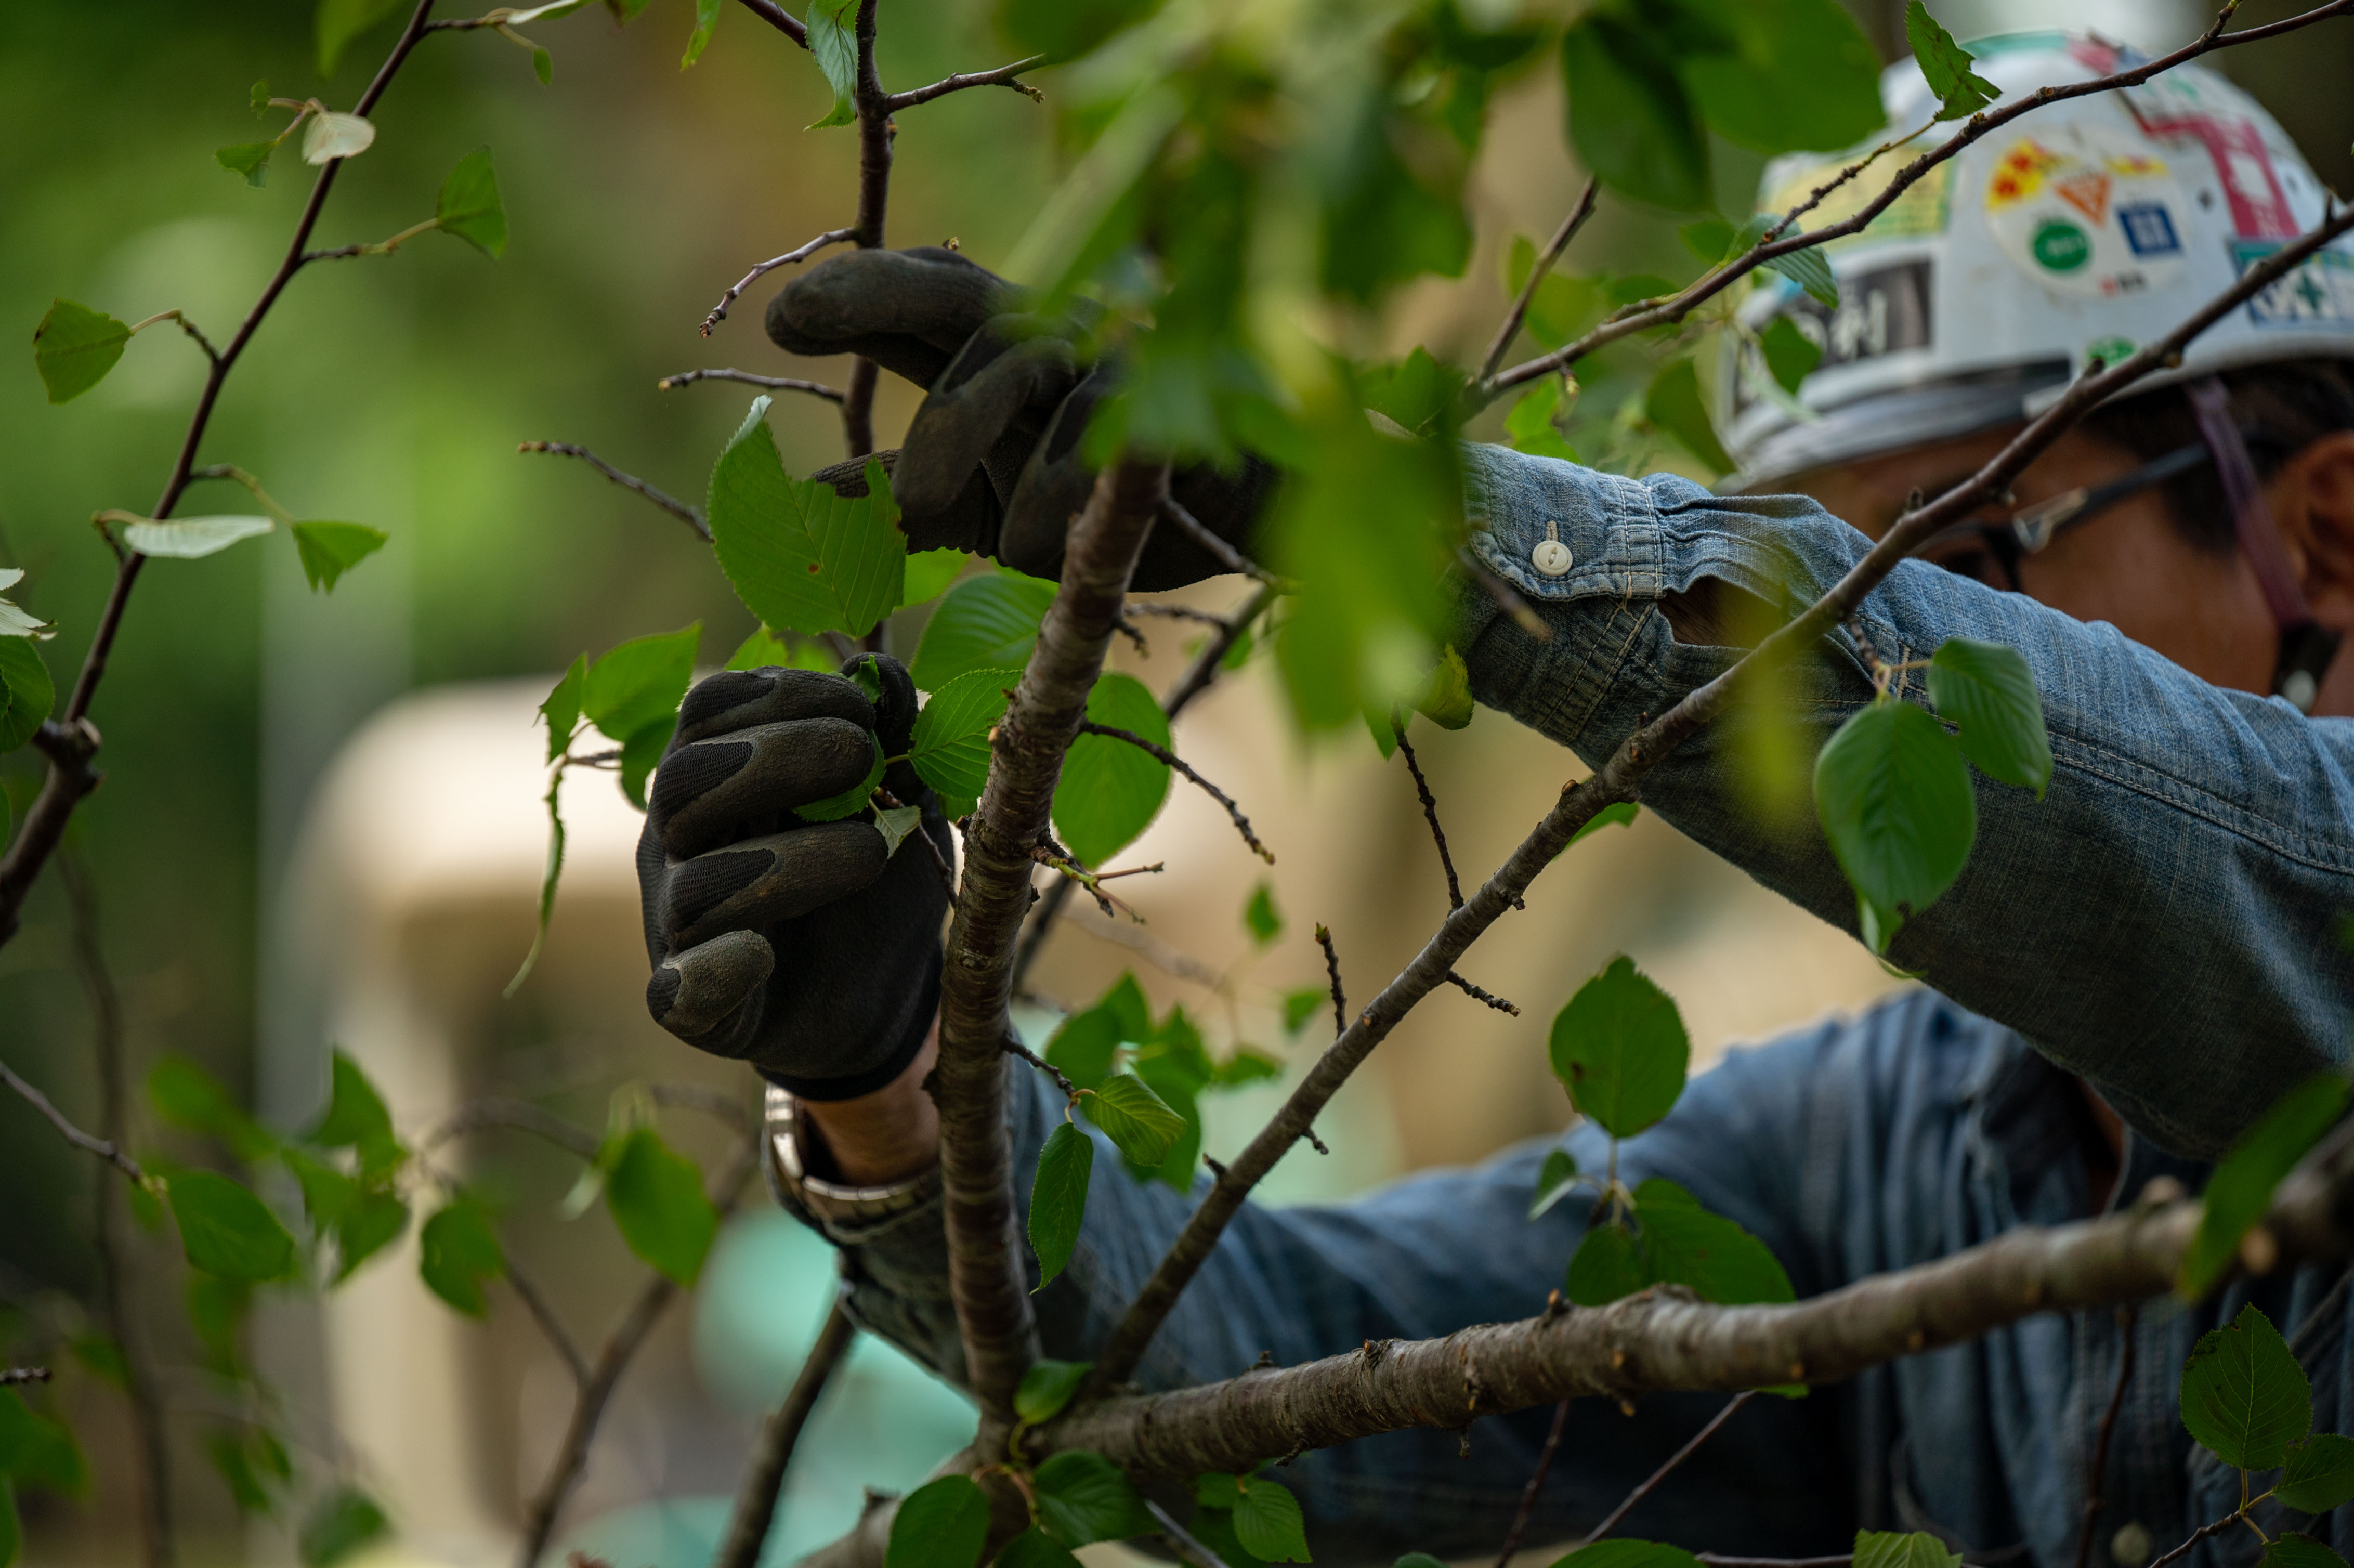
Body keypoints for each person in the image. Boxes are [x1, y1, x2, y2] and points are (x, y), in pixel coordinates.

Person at [633, 36, 2354, 1566]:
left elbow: (2202, 851)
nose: (1869, 643)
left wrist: (1387, 516)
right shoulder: (1885, 1151)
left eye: (1959, 562)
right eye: (1821, 561)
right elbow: (1282, 1369)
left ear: (2331, 534)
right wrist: (893, 1080)